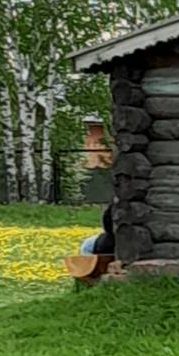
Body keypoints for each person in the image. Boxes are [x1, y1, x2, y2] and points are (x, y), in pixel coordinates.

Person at [67, 118, 118, 284]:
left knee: (88, 245)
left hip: (107, 242)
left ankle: (86, 278)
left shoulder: (117, 207)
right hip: (110, 240)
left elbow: (108, 224)